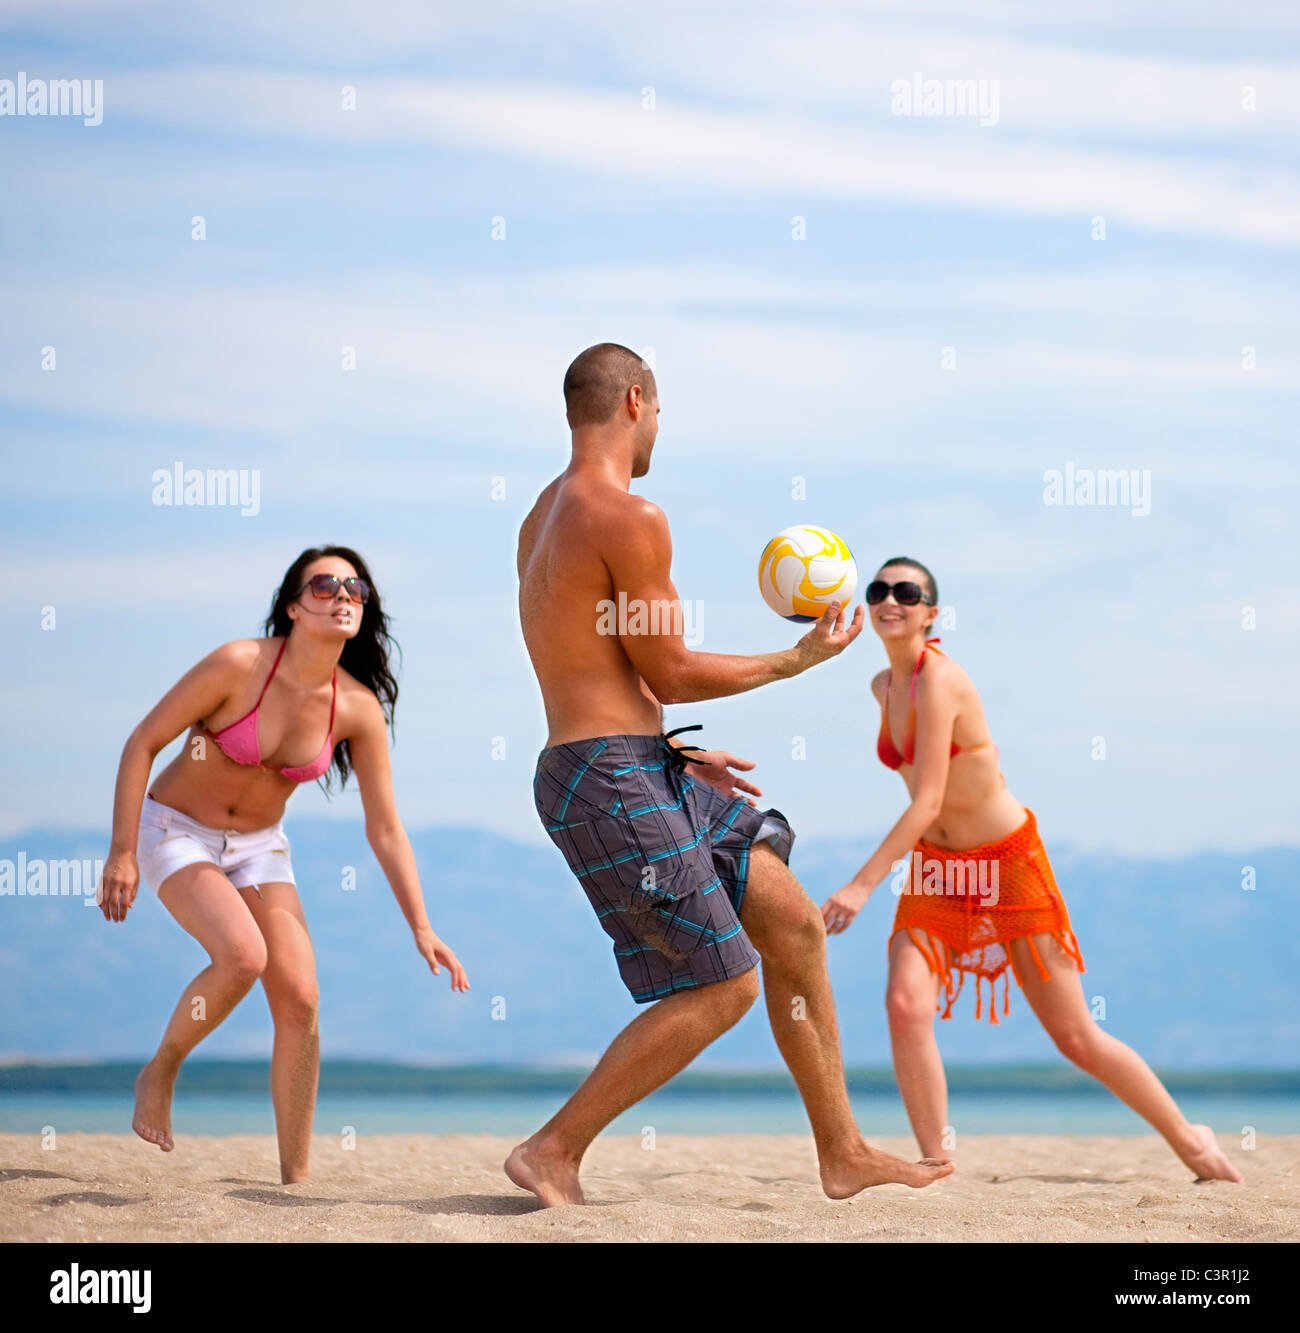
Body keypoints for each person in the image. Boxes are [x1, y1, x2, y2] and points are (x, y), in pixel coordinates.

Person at [510, 343, 954, 1207]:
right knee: (724, 983)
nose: (660, 427)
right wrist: (795, 659)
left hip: (633, 760)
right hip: (610, 774)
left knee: (791, 923)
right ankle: (552, 1149)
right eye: (661, 408)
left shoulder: (540, 516)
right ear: (637, 399)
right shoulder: (633, 517)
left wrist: (668, 745)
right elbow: (672, 668)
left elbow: (605, 661)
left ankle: (843, 1149)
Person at [820, 557, 1241, 1182]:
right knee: (905, 1004)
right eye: (879, 589)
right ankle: (937, 1164)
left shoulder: (943, 681)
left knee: (1074, 1038)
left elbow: (929, 799)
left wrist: (862, 883)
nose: (890, 600)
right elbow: (928, 810)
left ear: (931, 613)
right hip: (939, 868)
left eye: (907, 592)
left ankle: (1192, 1139)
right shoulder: (882, 688)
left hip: (1008, 862)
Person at [98, 546, 469, 1183]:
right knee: (244, 956)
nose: (343, 595)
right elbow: (144, 741)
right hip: (176, 829)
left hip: (259, 846)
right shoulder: (239, 665)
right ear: (293, 607)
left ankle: (294, 1179)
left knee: (300, 997)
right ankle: (160, 1070)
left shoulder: (355, 707)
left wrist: (422, 924)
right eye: (324, 585)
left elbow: (384, 826)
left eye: (355, 586)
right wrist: (123, 851)